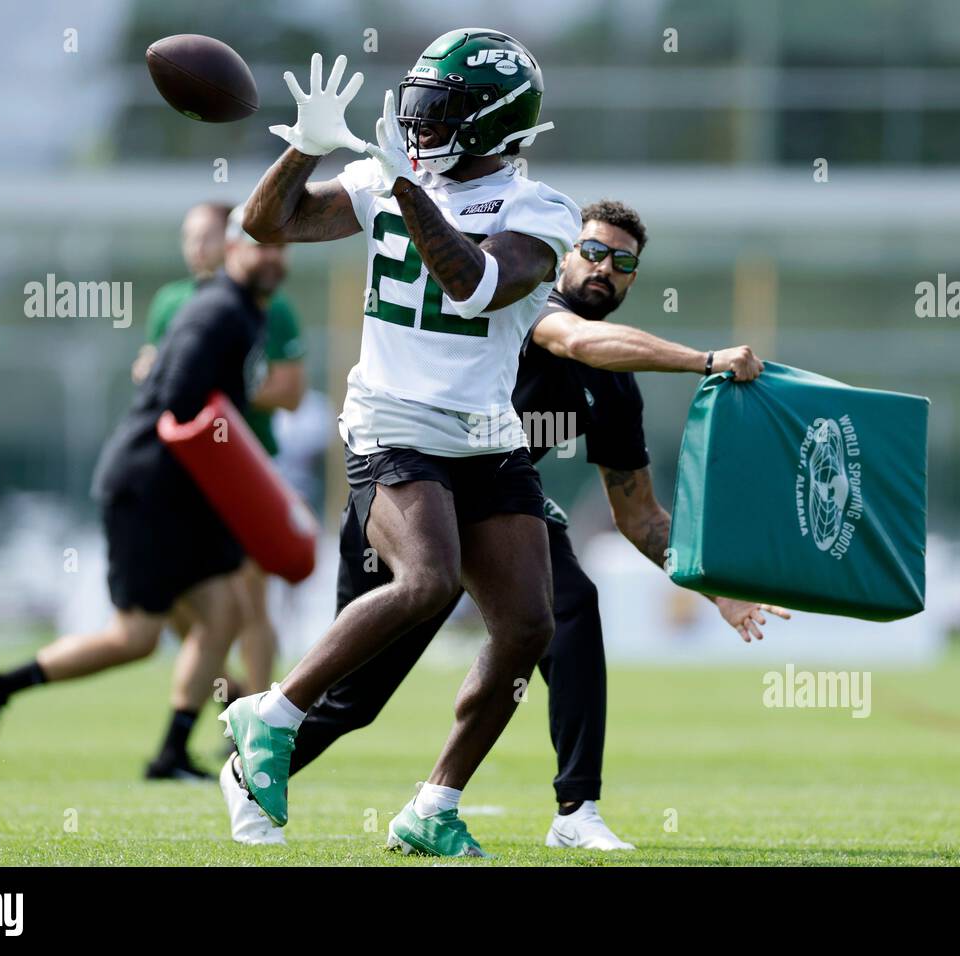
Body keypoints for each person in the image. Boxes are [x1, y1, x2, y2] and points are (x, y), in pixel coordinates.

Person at [221, 200, 789, 847]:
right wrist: (704, 359)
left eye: (623, 262)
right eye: (594, 252)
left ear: (633, 279)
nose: (605, 267)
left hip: (500, 505)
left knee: (569, 606)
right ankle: (251, 765)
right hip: (412, 485)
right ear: (565, 256)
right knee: (357, 698)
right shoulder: (528, 308)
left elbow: (639, 517)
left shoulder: (614, 389)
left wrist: (719, 589)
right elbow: (579, 340)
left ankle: (570, 811)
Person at [220, 30, 580, 857]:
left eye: (442, 109)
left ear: (495, 123)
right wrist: (304, 152)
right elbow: (266, 225)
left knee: (527, 627)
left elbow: (476, 283)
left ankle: (433, 807)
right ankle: (269, 715)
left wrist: (407, 189)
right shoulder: (389, 175)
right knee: (428, 581)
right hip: (392, 420)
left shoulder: (542, 209)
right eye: (417, 102)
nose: (419, 124)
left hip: (485, 433)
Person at [0, 209, 287, 774]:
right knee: (135, 637)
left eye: (281, 248)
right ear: (233, 250)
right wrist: (238, 477)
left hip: (175, 490)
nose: (274, 258)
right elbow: (183, 402)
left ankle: (174, 751)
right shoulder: (219, 313)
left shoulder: (238, 311)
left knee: (224, 612)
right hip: (151, 490)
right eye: (261, 247)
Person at [135, 203, 308, 779]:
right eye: (188, 237)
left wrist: (219, 387)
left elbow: (289, 390)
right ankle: (231, 697)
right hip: (183, 472)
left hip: (244, 468)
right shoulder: (170, 302)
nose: (196, 247)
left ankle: (261, 726)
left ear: (232, 241)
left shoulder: (266, 305)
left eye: (206, 235)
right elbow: (154, 369)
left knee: (249, 599)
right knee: (179, 604)